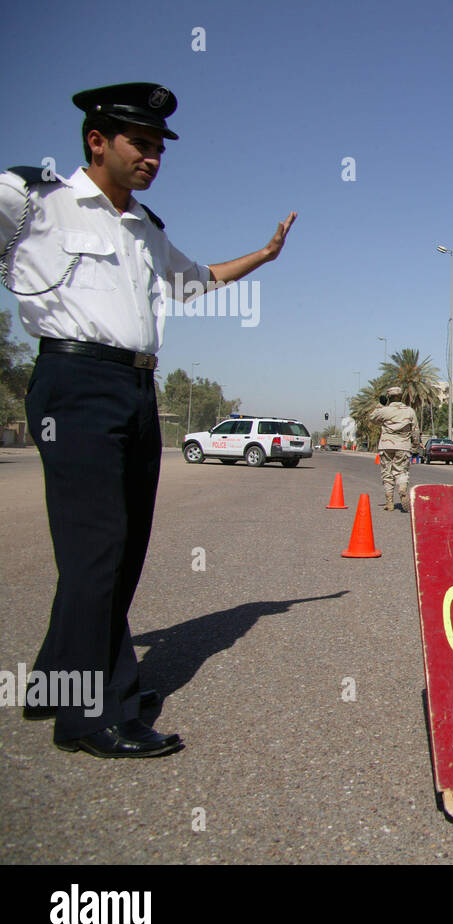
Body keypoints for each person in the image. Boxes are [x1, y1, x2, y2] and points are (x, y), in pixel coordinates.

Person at [1, 83, 296, 758]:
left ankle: (54, 681)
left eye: (160, 147)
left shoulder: (144, 227)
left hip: (136, 387)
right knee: (96, 548)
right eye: (140, 142)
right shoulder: (33, 199)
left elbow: (197, 280)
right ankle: (92, 712)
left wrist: (265, 255)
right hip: (75, 384)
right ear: (96, 142)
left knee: (119, 547)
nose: (153, 157)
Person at [369, 385, 419, 511]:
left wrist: (380, 405)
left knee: (387, 473)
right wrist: (415, 445)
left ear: (389, 397)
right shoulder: (410, 411)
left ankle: (389, 502)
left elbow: (372, 418)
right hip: (403, 446)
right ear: (401, 397)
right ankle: (402, 488)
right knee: (401, 471)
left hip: (386, 446)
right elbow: (415, 431)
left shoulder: (385, 411)